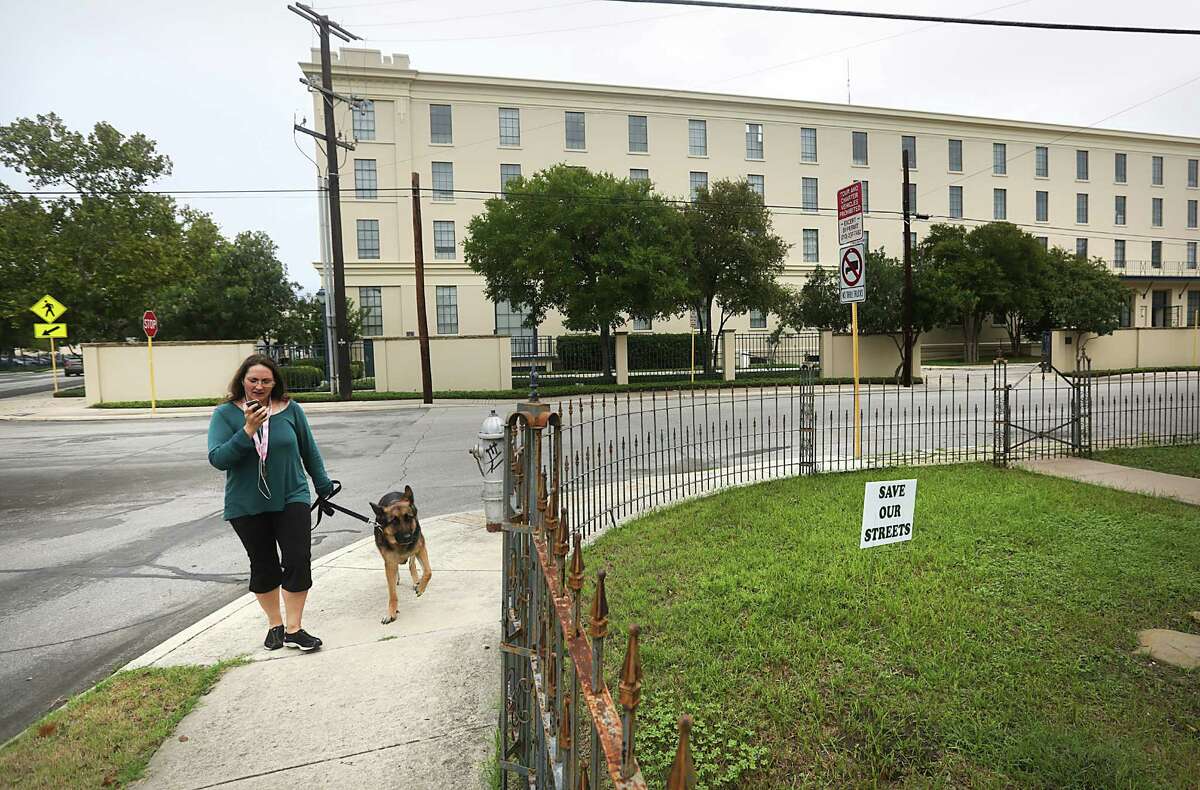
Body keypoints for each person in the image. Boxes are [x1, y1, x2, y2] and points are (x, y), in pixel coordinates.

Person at [207, 353, 333, 652]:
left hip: (293, 495)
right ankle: (274, 624)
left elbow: (309, 450)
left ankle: (294, 628)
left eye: (266, 380)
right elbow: (218, 459)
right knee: (263, 565)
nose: (259, 386)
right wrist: (248, 429)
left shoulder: (291, 410)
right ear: (242, 381)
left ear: (275, 382)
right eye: (253, 380)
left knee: (298, 559)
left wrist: (323, 484)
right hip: (247, 502)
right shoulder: (225, 414)